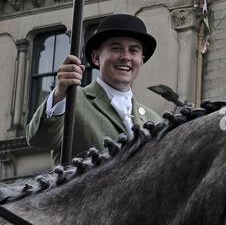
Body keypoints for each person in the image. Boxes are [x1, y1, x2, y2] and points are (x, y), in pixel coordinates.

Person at [26, 13, 163, 158]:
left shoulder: (154, 120)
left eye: (134, 50)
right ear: (96, 58)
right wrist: (60, 94)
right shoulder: (72, 100)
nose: (126, 57)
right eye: (116, 48)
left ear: (141, 60)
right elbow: (41, 139)